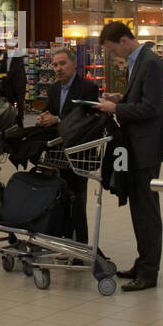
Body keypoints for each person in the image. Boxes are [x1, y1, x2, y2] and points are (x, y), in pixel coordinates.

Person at [95, 21, 163, 291]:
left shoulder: (150, 62)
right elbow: (141, 100)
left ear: (124, 41)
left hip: (147, 147)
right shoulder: (138, 61)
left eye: (112, 49)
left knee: (146, 209)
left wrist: (116, 109)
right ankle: (143, 263)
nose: (112, 55)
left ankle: (149, 272)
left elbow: (151, 108)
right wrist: (121, 100)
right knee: (139, 207)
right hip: (137, 145)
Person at [37, 47, 100, 246]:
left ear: (74, 64)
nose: (58, 68)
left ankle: (81, 245)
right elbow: (49, 108)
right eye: (55, 65)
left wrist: (58, 119)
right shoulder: (55, 88)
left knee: (78, 200)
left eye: (62, 64)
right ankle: (63, 240)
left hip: (78, 152)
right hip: (57, 152)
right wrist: (44, 116)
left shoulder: (87, 87)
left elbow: (86, 119)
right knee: (59, 198)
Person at [4, 51, 27, 128]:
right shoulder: (6, 54)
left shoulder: (18, 54)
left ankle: (20, 122)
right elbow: (3, 66)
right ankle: (11, 121)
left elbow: (15, 69)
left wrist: (7, 76)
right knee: (10, 101)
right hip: (10, 83)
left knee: (20, 102)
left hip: (19, 83)